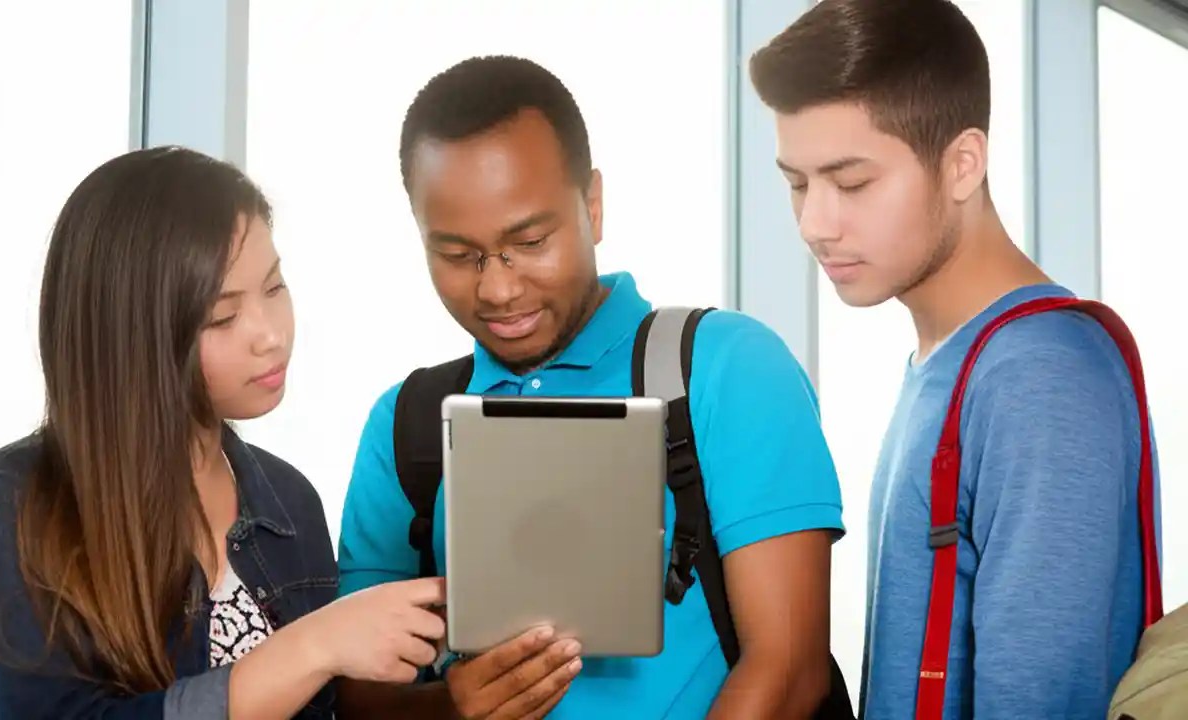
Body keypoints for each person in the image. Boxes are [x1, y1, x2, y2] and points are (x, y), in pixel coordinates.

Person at [333, 55, 845, 720]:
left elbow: (787, 672)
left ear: (593, 206)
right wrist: (449, 707)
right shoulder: (405, 426)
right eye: (459, 255)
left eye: (531, 240)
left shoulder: (728, 367)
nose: (498, 288)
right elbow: (353, 696)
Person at [749, 1, 1158, 718]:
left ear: (962, 163)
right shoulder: (952, 359)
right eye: (796, 183)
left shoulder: (1040, 375)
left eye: (851, 184)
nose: (815, 223)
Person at [0, 146, 447, 719]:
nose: (270, 335)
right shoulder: (15, 506)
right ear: (131, 334)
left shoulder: (288, 501)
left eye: (275, 288)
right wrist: (314, 646)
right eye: (223, 317)